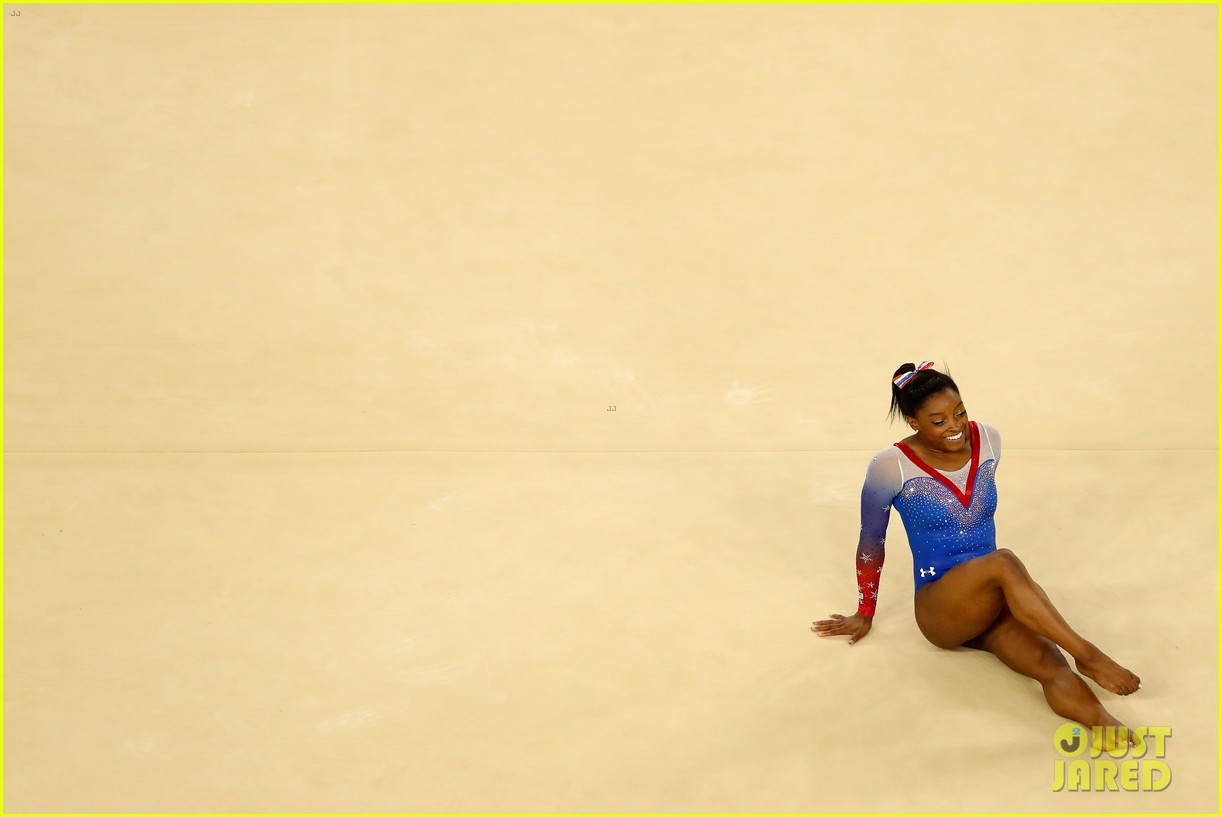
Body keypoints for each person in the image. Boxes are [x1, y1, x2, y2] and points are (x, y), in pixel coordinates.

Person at [811, 361, 1141, 742]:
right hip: (941, 608)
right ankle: (1090, 655)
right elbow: (871, 540)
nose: (955, 427)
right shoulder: (891, 467)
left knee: (1050, 664)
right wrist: (864, 611)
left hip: (996, 601)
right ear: (912, 422)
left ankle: (1108, 727)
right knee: (1003, 561)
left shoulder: (989, 440)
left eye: (960, 412)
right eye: (938, 421)